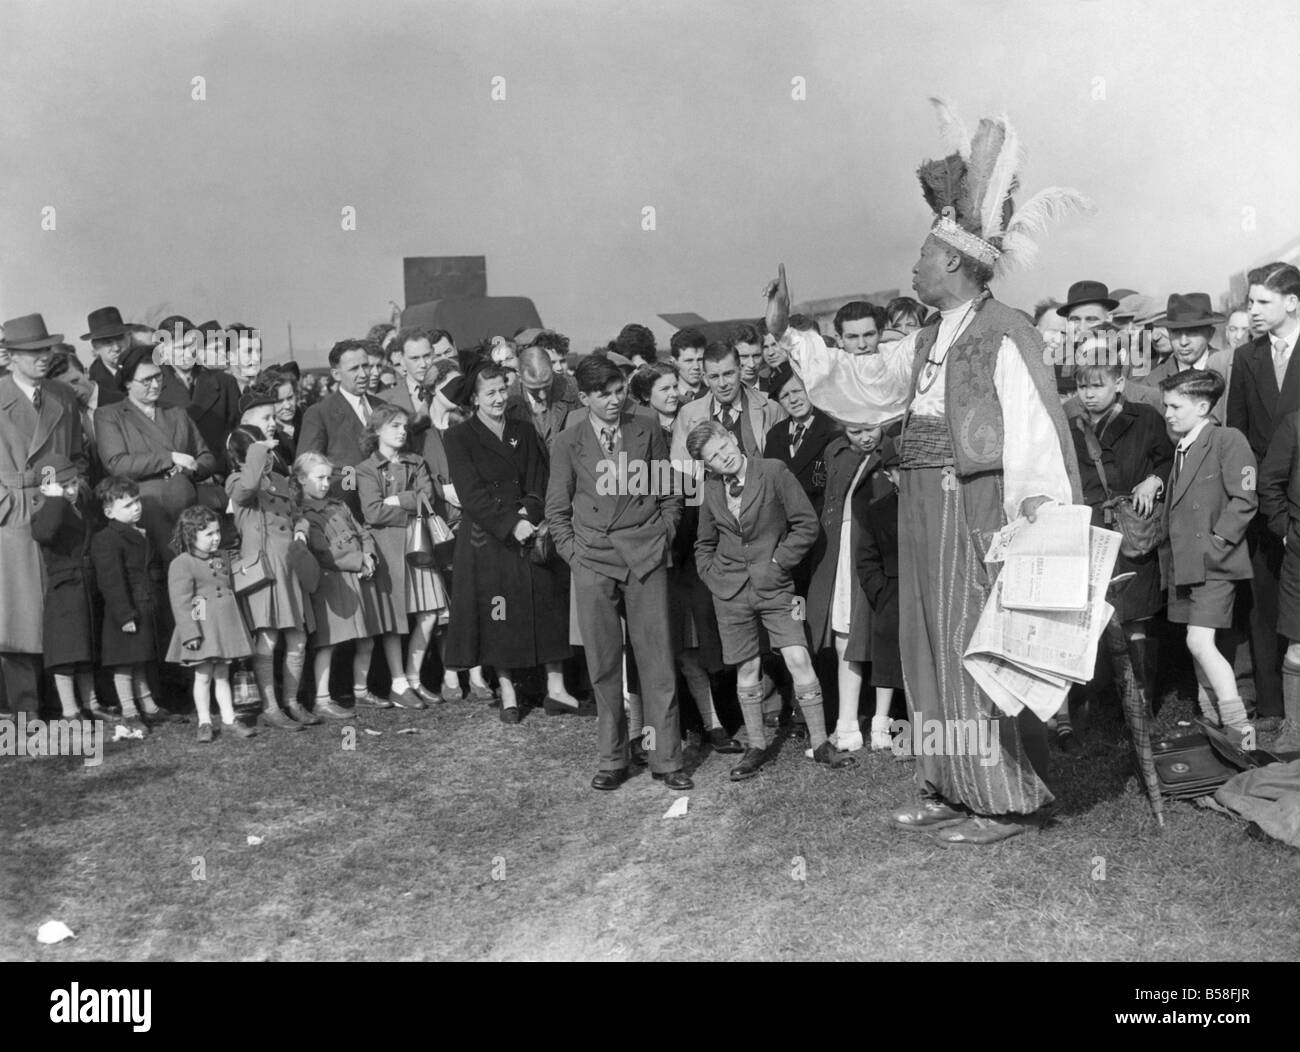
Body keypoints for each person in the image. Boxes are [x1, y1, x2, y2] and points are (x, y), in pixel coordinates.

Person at [773, 101, 1088, 843]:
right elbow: (864, 380)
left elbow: (1037, 435)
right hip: (919, 508)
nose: (912, 266)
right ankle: (949, 783)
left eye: (921, 256)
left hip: (975, 515)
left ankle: (1005, 799)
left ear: (953, 261)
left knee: (975, 651)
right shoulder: (928, 337)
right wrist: (791, 332)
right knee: (924, 645)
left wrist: (1035, 520)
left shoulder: (1004, 334)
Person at [547, 355, 688, 789]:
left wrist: (663, 534)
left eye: (618, 391)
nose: (613, 401)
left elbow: (670, 494)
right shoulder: (567, 441)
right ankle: (612, 758)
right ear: (584, 397)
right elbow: (556, 511)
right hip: (593, 559)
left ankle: (667, 760)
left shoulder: (645, 429)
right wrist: (576, 557)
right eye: (602, 394)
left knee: (657, 658)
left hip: (645, 555)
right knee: (604, 663)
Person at [690, 419, 854, 779]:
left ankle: (821, 743)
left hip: (776, 586)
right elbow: (703, 544)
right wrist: (713, 576)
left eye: (724, 447)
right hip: (730, 593)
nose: (724, 457)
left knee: (797, 657)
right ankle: (756, 746)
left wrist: (780, 562)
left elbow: (806, 524)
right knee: (747, 668)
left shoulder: (773, 471)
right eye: (714, 457)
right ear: (708, 466)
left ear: (733, 439)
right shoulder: (712, 490)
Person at [445, 364, 577, 721]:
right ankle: (507, 691)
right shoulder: (458, 437)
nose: (500, 398)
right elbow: (470, 495)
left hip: (531, 532)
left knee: (546, 603)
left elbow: (540, 479)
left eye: (503, 390)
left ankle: (556, 688)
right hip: (488, 539)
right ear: (474, 398)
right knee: (498, 613)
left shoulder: (523, 429)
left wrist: (529, 516)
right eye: (490, 393)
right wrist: (508, 524)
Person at [630, 362, 737, 752]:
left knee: (690, 651)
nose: (675, 393)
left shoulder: (688, 430)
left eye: (676, 386)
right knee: (647, 653)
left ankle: (711, 723)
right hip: (652, 558)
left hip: (685, 559)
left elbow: (692, 500)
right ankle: (641, 733)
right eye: (664, 388)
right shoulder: (642, 441)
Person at [1066, 360, 1174, 747]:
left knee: (1135, 620)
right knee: (1088, 620)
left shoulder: (1145, 417)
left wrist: (1154, 479)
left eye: (1097, 385)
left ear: (1120, 383)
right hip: (1090, 530)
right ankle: (1091, 712)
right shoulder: (1070, 426)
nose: (1088, 393)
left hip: (1132, 530)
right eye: (1082, 386)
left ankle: (1141, 709)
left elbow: (1167, 458)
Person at [1161, 368, 1257, 741]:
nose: (1168, 413)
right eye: (1166, 405)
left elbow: (1246, 497)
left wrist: (1218, 541)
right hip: (1184, 565)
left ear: (1202, 406)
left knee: (1198, 642)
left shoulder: (1227, 439)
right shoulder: (1182, 446)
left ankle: (1239, 726)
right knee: (1196, 642)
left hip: (1214, 564)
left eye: (1175, 406)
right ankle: (1212, 720)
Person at [0, 313, 89, 715]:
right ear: (9, 357)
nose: (42, 357)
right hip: (14, 517)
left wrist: (74, 491)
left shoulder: (62, 396)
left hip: (58, 514)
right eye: (32, 351)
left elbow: (78, 456)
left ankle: (64, 705)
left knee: (60, 610)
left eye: (46, 349)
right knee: (18, 618)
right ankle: (25, 710)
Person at [1226, 262, 1300, 729]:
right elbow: (1236, 431)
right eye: (1250, 302)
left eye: (1262, 302)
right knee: (1263, 601)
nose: (1252, 311)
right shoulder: (1247, 356)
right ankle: (1272, 706)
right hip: (1262, 505)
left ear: (1292, 302)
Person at [226, 385, 321, 730]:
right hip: (264, 572)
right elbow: (249, 487)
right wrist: (255, 451)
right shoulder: (237, 481)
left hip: (290, 568)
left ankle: (292, 702)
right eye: (258, 449)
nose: (268, 450)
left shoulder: (279, 480)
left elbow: (300, 514)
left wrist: (301, 530)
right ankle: (269, 706)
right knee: (268, 638)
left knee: (297, 637)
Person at [804, 420, 893, 752]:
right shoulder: (835, 452)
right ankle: (847, 724)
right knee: (845, 638)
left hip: (884, 552)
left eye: (870, 428)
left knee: (885, 635)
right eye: (855, 431)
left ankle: (882, 725)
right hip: (844, 551)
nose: (864, 437)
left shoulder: (893, 450)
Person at [357, 404, 453, 709]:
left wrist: (398, 499)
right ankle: (398, 683)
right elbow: (372, 511)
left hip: (418, 546)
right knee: (394, 619)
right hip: (387, 550)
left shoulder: (417, 461)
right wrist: (410, 508)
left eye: (404, 426)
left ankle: (413, 678)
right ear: (376, 431)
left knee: (430, 612)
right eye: (394, 426)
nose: (402, 431)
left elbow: (428, 500)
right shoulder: (365, 469)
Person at [95, 345, 217, 559]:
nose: (155, 385)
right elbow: (116, 464)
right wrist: (169, 458)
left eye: (158, 377)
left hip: (188, 498)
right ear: (127, 383)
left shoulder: (176, 412)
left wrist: (191, 469)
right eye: (146, 380)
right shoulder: (110, 415)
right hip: (147, 505)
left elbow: (205, 456)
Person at [295, 452, 383, 720]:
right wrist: (358, 560)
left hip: (357, 581)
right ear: (300, 479)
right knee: (328, 643)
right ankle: (322, 699)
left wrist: (368, 554)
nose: (325, 483)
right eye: (318, 478)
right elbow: (324, 554)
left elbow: (362, 531)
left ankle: (361, 690)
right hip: (332, 585)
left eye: (327, 478)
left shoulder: (340, 505)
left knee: (366, 639)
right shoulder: (304, 515)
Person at [90, 477, 173, 735]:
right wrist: (124, 614)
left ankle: (148, 706)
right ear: (109, 512)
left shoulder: (138, 532)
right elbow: (111, 581)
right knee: (125, 663)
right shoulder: (107, 539)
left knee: (140, 659)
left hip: (144, 605)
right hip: (125, 611)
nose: (136, 508)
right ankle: (129, 711)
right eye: (127, 505)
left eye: (137, 502)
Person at [166, 505, 256, 742]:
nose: (216, 538)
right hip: (203, 629)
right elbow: (181, 603)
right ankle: (205, 721)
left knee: (223, 674)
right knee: (203, 675)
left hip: (224, 627)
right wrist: (190, 634)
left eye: (217, 532)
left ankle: (229, 718)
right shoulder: (182, 563)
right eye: (209, 534)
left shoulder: (221, 557)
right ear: (190, 535)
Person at [30, 455, 106, 720]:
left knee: (85, 647)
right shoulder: (47, 511)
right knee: (66, 649)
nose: (72, 490)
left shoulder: (79, 507)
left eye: (74, 483)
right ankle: (70, 708)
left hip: (84, 582)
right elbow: (45, 533)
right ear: (47, 488)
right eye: (64, 486)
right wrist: (55, 499)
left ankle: (92, 703)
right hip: (64, 585)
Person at [297, 339, 391, 515]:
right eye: (354, 369)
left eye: (366, 366)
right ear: (336, 374)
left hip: (390, 507)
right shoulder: (319, 413)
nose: (363, 374)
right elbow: (308, 470)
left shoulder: (383, 407)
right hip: (348, 511)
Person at [671, 341, 786, 480]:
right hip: (710, 498)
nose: (722, 384)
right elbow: (683, 473)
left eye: (728, 374)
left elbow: (783, 471)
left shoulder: (771, 409)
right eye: (714, 377)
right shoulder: (688, 414)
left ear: (740, 370)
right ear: (705, 378)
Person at [855, 444, 904, 751]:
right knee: (887, 656)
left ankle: (922, 721)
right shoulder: (879, 509)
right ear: (888, 474)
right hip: (893, 590)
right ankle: (880, 723)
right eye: (899, 471)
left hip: (923, 589)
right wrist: (881, 591)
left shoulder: (933, 505)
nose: (906, 477)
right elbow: (866, 558)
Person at [1257, 403, 1300, 753]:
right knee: (1299, 644)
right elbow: (1269, 482)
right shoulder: (1295, 425)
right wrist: (1287, 532)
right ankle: (1295, 733)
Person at [157, 317, 243, 475]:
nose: (189, 353)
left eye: (191, 345)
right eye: (180, 347)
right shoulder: (153, 388)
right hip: (176, 479)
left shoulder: (225, 383)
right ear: (163, 351)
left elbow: (236, 432)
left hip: (220, 475)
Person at [1132, 294, 1233, 422]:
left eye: (1192, 332)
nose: (1183, 342)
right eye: (1176, 333)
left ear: (1210, 334)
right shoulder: (1154, 380)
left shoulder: (1228, 370)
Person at [507, 346, 583, 451]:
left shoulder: (574, 390)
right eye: (535, 389)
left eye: (547, 386)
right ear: (519, 376)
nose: (542, 395)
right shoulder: (506, 401)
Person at [81, 306, 133, 394]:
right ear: (95, 347)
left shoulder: (148, 365)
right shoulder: (95, 387)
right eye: (108, 342)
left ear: (128, 338)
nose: (116, 348)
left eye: (120, 338)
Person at [670, 328, 709, 403]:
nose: (696, 367)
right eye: (689, 361)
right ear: (673, 362)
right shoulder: (666, 396)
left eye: (700, 360)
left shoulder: (713, 394)